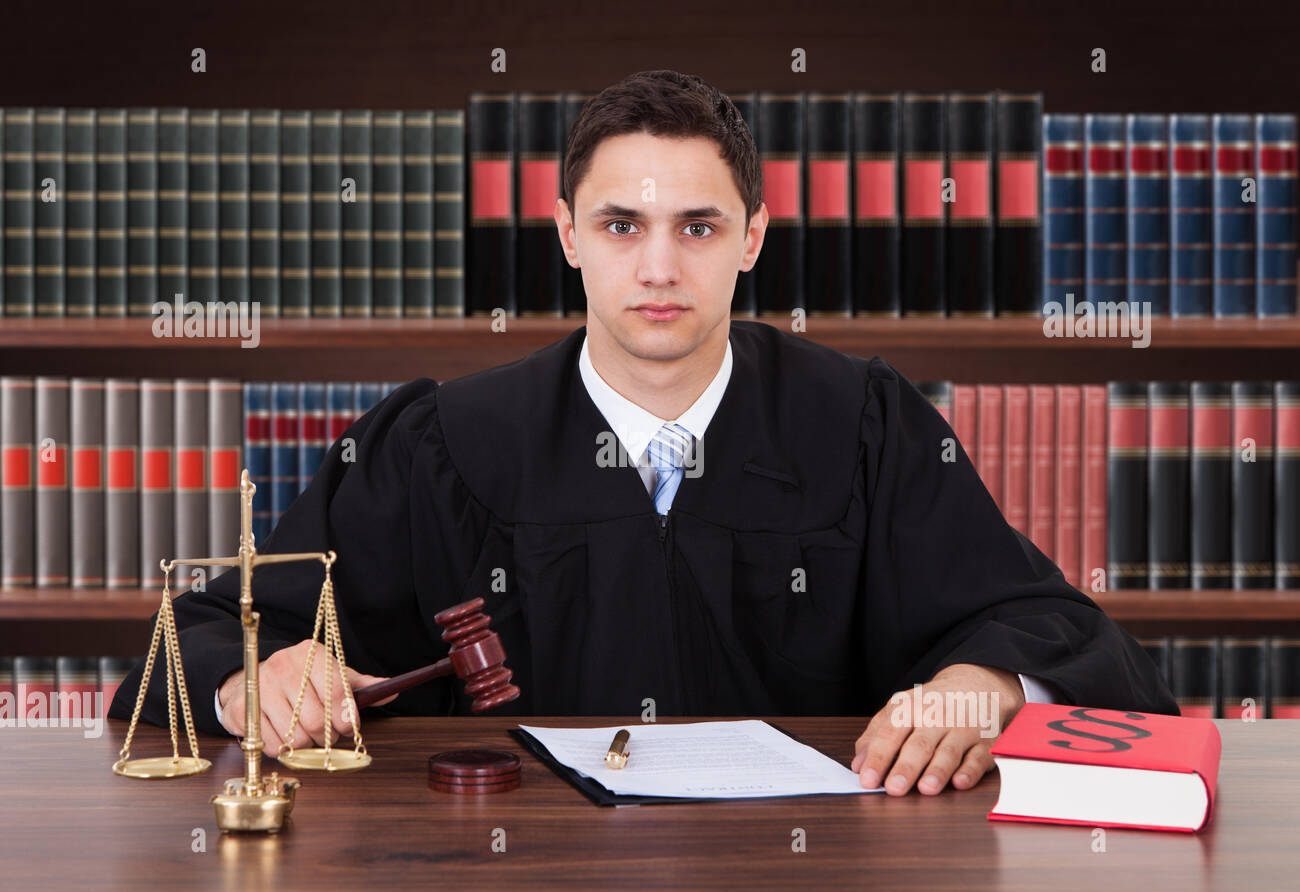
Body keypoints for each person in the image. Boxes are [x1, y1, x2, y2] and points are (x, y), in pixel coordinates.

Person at [110, 69, 1178, 796]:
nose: (658, 270)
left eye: (698, 227)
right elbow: (199, 632)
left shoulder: (858, 423)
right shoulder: (442, 442)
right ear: (567, 233)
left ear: (752, 239)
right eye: (622, 225)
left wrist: (984, 688)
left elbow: (1053, 628)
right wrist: (251, 678)